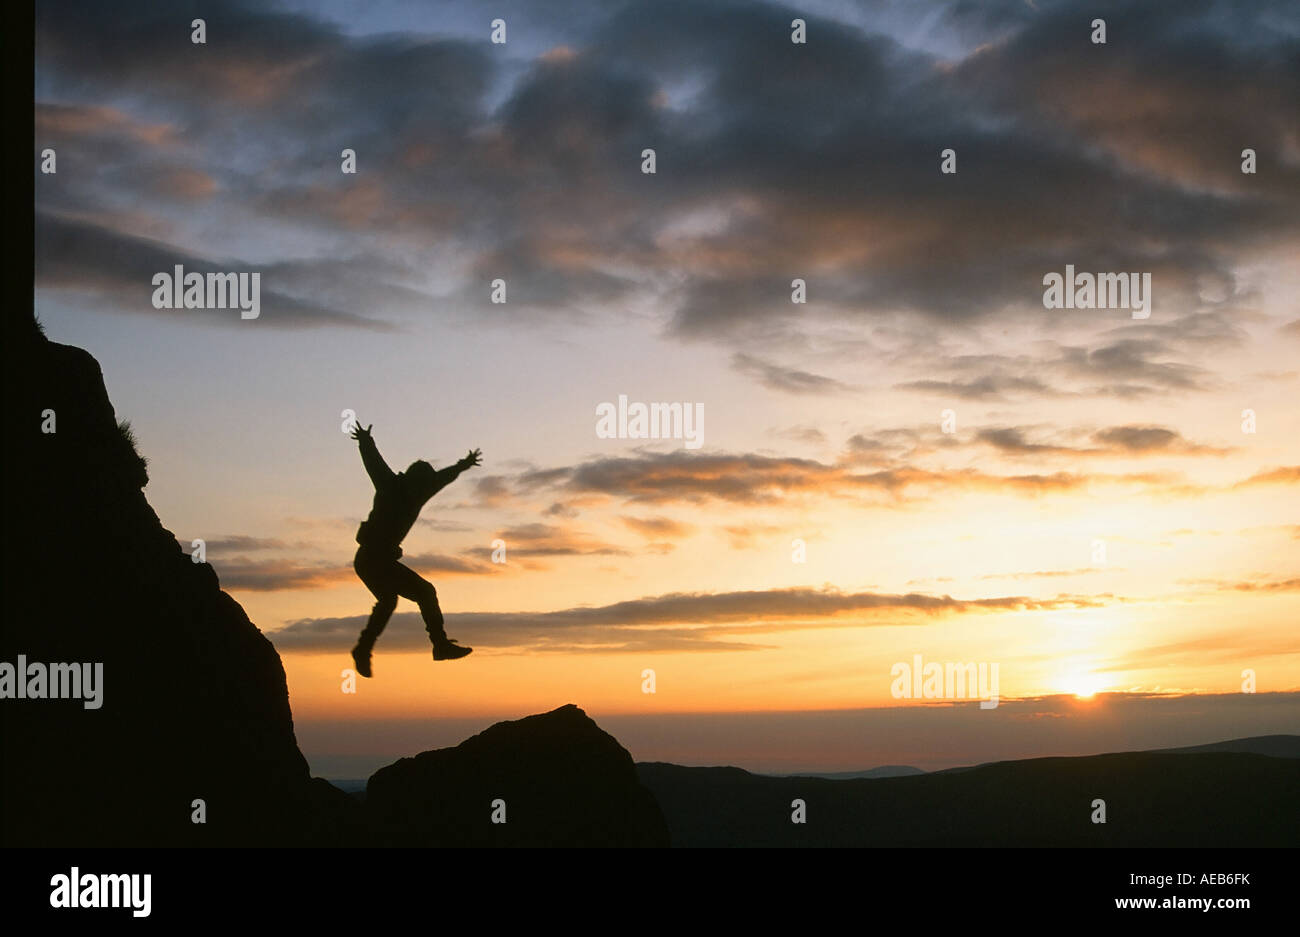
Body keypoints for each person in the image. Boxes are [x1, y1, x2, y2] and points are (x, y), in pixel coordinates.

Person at [347, 421, 480, 677]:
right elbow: (375, 463)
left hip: (373, 560)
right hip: (372, 559)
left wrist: (463, 465)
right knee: (408, 596)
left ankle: (432, 646)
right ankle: (435, 645)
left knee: (401, 598)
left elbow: (443, 477)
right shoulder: (391, 486)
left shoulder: (415, 490)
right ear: (413, 480)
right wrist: (365, 441)